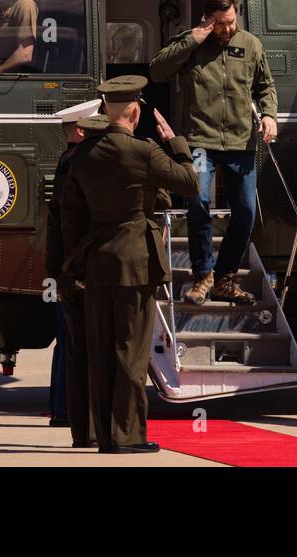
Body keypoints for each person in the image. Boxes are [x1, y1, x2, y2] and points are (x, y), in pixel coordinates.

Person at [59, 75, 200, 454]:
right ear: (135, 111)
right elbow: (190, 182)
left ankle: (100, 434)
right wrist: (175, 143)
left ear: (107, 110)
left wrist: (70, 266)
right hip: (136, 261)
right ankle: (127, 435)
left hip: (97, 261)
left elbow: (71, 214)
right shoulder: (143, 151)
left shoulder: (84, 154)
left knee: (100, 349)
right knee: (131, 351)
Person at [149, 0, 277, 306]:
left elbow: (265, 85)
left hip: (240, 142)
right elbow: (157, 71)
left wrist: (270, 115)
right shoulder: (191, 43)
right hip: (200, 141)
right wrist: (193, 39)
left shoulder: (251, 45)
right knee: (198, 203)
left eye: (231, 21)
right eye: (219, 23)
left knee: (246, 211)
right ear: (207, 19)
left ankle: (225, 278)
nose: (227, 29)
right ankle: (202, 275)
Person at [44, 98, 102, 444]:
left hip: (65, 265)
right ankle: (65, 408)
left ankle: (61, 407)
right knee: (73, 339)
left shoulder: (67, 161)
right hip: (75, 266)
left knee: (67, 339)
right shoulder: (75, 163)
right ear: (81, 130)